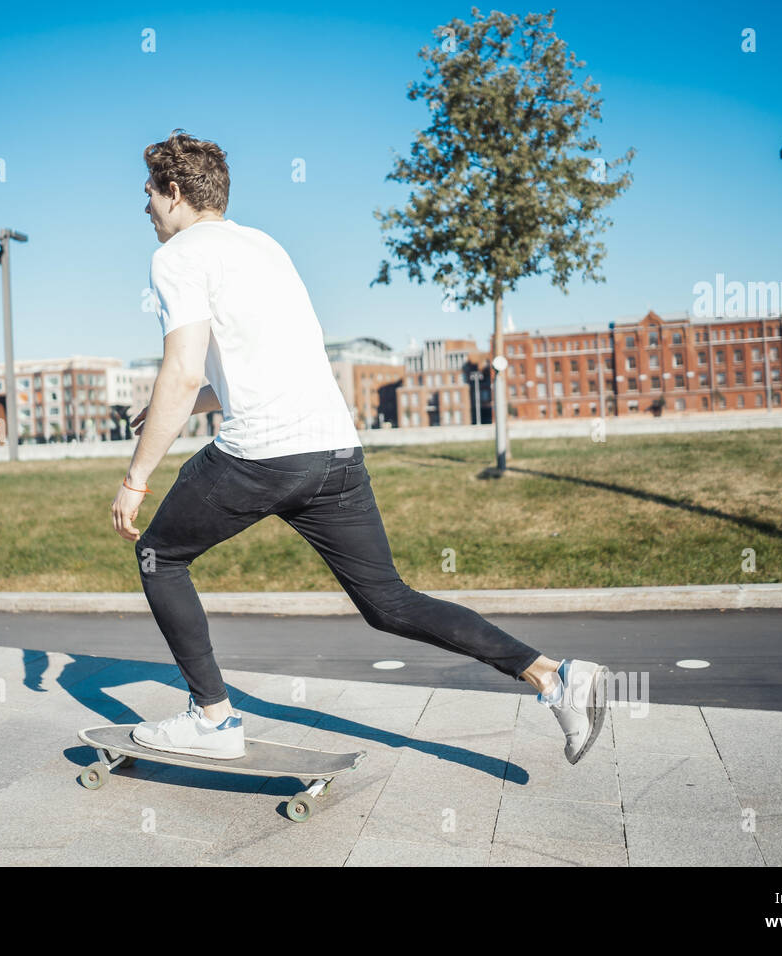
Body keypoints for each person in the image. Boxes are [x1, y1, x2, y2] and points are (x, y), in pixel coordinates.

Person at [110, 130, 609, 766]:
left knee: (159, 553)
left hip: (262, 456)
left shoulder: (178, 256)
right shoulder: (265, 248)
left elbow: (182, 371)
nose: (147, 209)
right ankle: (554, 676)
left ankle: (212, 717)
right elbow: (258, 369)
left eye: (148, 194)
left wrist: (135, 477)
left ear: (174, 192)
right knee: (389, 603)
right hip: (334, 453)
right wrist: (174, 407)